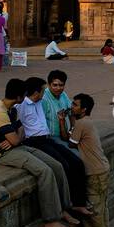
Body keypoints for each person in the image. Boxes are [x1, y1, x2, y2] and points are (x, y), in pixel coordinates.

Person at [0, 78, 75, 227]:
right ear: (19, 97)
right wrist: (15, 139)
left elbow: (20, 132)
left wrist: (15, 139)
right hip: (3, 154)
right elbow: (16, 137)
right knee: (45, 171)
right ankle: (51, 219)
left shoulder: (11, 108)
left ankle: (64, 208)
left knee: (57, 166)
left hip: (17, 147)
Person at [16, 76, 91, 217]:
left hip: (47, 139)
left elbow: (70, 111)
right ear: (36, 92)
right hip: (34, 142)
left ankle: (79, 203)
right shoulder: (21, 106)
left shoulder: (39, 102)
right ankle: (65, 206)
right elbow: (14, 125)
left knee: (77, 162)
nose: (45, 92)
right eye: (43, 90)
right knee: (61, 165)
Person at [67, 93, 111, 227]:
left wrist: (63, 121)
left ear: (83, 109)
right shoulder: (86, 122)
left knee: (93, 205)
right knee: (101, 204)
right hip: (101, 168)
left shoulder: (81, 124)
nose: (72, 107)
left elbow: (71, 142)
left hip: (94, 171)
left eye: (75, 105)